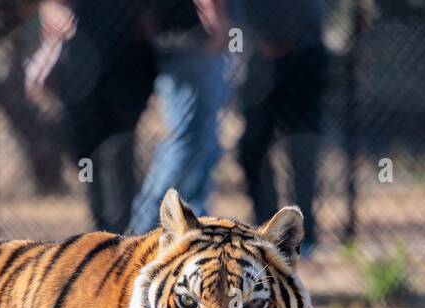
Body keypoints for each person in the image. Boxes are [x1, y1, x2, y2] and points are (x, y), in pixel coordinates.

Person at [26, 0, 155, 233]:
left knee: (117, 154)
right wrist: (50, 10)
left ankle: (121, 235)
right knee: (85, 154)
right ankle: (105, 231)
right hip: (80, 62)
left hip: (125, 61)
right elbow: (52, 6)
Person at [125, 0, 232, 235]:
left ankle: (195, 224)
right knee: (188, 140)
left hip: (179, 35)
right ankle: (143, 226)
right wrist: (215, 15)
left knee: (205, 142)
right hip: (193, 37)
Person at [234, 0, 329, 256]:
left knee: (303, 148)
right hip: (257, 59)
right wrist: (259, 40)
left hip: (304, 56)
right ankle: (266, 228)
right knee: (252, 148)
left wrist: (287, 39)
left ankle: (303, 235)